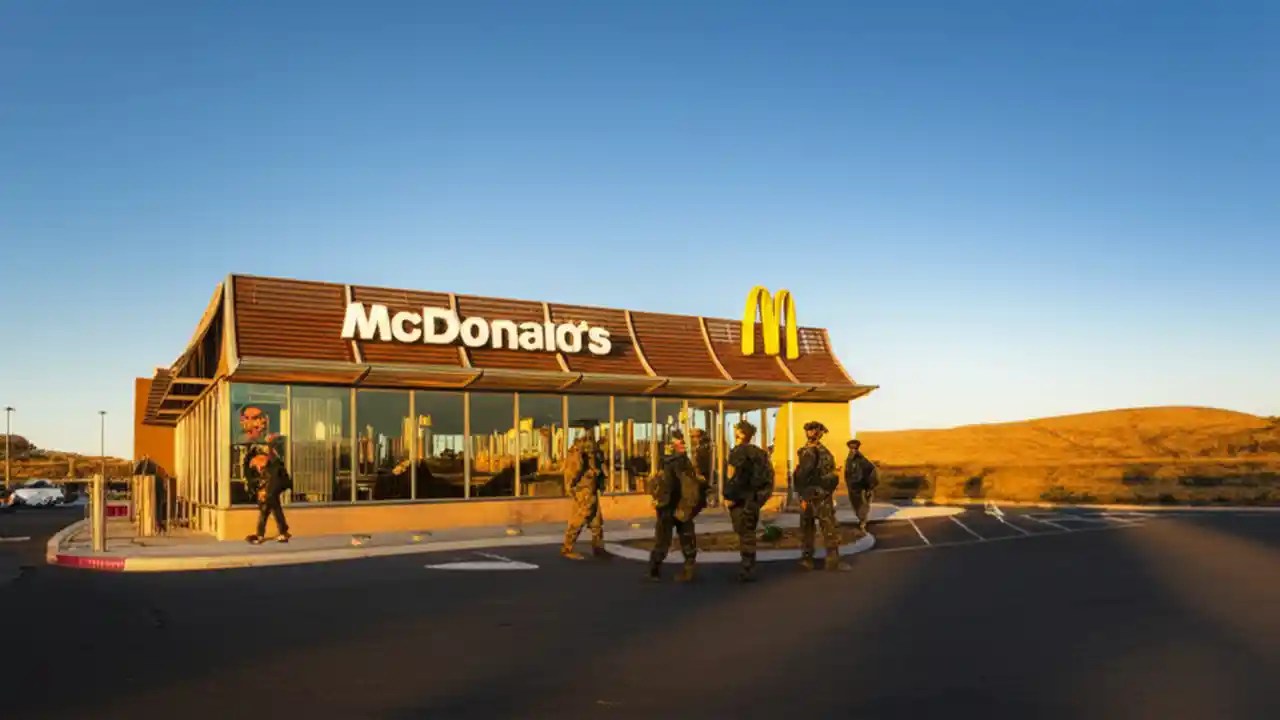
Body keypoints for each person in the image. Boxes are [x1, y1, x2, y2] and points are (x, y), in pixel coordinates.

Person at [646, 430, 706, 582]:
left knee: (662, 539)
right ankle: (688, 569)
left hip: (668, 507)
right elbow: (692, 486)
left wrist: (658, 500)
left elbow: (661, 485)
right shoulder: (684, 462)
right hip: (682, 506)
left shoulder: (667, 462)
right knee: (686, 538)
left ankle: (654, 570)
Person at [793, 421, 848, 571]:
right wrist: (804, 497)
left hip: (821, 496)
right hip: (816, 496)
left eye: (815, 430)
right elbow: (802, 476)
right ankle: (810, 560)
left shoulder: (817, 452)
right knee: (814, 528)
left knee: (823, 528)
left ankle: (825, 561)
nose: (814, 433)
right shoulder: (808, 452)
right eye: (811, 430)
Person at [724, 420, 774, 582]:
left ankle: (746, 567)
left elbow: (735, 477)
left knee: (743, 532)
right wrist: (760, 498)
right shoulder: (760, 453)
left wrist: (729, 497)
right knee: (749, 532)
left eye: (737, 430)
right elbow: (769, 478)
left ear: (741, 433)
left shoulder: (737, 452)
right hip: (753, 499)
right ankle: (749, 564)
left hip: (739, 499)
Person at [239, 405, 292, 544]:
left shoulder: (273, 444)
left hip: (273, 483)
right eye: (247, 418)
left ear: (264, 421)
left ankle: (264, 535)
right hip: (269, 484)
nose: (251, 422)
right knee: (272, 508)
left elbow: (275, 468)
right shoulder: (248, 444)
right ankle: (280, 532)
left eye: (256, 418)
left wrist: (265, 489)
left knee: (266, 508)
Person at [561, 433, 607, 560]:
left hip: (590, 488)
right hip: (584, 490)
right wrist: (571, 486)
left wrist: (601, 483)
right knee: (580, 518)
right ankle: (567, 547)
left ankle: (598, 548)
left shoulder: (593, 451)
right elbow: (575, 471)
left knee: (596, 520)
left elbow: (600, 469)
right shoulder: (579, 453)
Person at [845, 439, 879, 533]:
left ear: (857, 448)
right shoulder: (849, 460)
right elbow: (847, 474)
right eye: (851, 448)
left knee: (862, 507)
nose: (852, 450)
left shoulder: (862, 460)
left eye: (854, 448)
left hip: (862, 488)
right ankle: (861, 521)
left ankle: (863, 523)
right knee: (856, 506)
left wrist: (869, 487)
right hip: (853, 489)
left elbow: (871, 471)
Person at [689, 428, 716, 506]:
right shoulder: (697, 447)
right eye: (692, 437)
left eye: (695, 437)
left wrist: (699, 472)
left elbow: (703, 462)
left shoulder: (704, 448)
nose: (693, 439)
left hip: (702, 472)